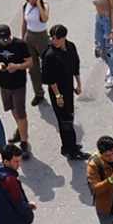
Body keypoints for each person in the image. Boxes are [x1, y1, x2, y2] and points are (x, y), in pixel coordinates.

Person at [0, 28, 33, 150]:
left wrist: (17, 66)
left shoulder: (20, 44)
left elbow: (30, 62)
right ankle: (20, 130)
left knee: (21, 113)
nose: (5, 41)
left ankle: (24, 141)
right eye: (2, 39)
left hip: (18, 84)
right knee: (12, 109)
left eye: (6, 38)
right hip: (4, 84)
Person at [42, 25, 83, 159]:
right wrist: (58, 95)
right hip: (58, 91)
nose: (53, 41)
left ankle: (67, 147)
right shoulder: (50, 55)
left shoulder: (70, 46)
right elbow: (49, 78)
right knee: (65, 120)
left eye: (56, 39)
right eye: (52, 38)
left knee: (69, 116)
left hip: (68, 87)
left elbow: (75, 65)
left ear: (64, 38)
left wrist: (78, 84)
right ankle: (72, 150)